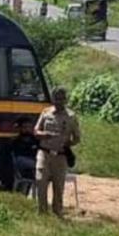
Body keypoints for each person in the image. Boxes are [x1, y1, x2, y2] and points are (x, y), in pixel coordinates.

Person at [34, 87, 81, 216]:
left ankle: (57, 212)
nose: (59, 101)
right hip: (44, 153)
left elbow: (77, 138)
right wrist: (45, 135)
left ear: (65, 100)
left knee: (58, 186)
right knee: (40, 181)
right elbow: (36, 131)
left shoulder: (71, 117)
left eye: (61, 98)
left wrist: (68, 143)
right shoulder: (46, 112)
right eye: (56, 98)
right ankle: (42, 212)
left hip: (60, 156)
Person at [11, 117, 39, 185]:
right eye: (25, 127)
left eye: (29, 127)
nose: (27, 129)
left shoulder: (36, 141)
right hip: (22, 165)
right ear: (20, 128)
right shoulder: (16, 142)